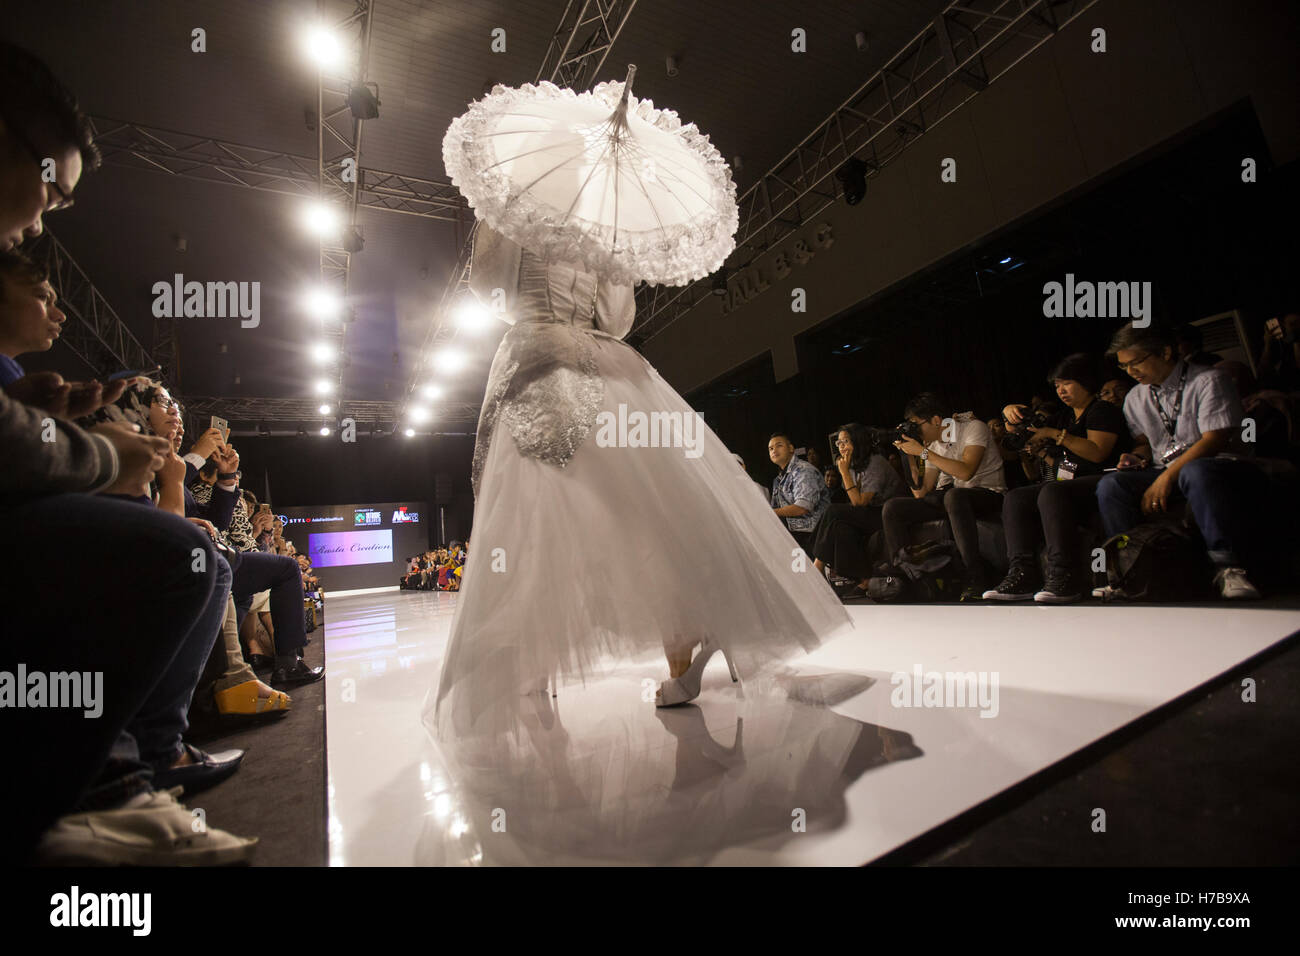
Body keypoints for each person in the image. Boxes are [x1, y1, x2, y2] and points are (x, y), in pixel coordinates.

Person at [425, 224, 851, 739]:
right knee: (651, 509)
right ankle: (690, 633)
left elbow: (492, 287)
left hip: (539, 359)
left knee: (536, 520)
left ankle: (533, 670)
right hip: (608, 364)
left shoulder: (511, 209)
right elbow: (617, 318)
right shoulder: (605, 219)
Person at [1096, 321, 1264, 599]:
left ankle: (1229, 566)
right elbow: (1144, 443)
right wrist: (1136, 457)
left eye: (1136, 362)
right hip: (1166, 468)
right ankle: (1127, 569)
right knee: (1112, 485)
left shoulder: (1208, 380)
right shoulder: (1136, 397)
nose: (1130, 371)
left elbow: (1213, 441)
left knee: (1195, 472)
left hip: (1221, 465)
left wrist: (1166, 477)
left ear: (1165, 352)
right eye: (1123, 366)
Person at [983, 354, 1129, 603]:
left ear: (1086, 382)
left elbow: (1097, 452)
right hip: (1071, 482)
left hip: (1101, 479)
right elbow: (1023, 436)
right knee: (1017, 497)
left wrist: (1055, 435)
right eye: (1057, 385)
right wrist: (1010, 416)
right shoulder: (1064, 416)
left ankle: (1063, 576)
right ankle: (1022, 573)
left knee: (1052, 491)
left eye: (1067, 383)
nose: (1061, 390)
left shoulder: (1101, 410)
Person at [882, 392, 1008, 600]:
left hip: (988, 493)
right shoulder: (933, 445)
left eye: (917, 424)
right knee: (893, 508)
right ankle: (907, 575)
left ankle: (974, 576)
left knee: (954, 496)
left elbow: (966, 471)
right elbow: (921, 492)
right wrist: (910, 457)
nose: (915, 430)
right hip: (957, 498)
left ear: (936, 420)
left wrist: (923, 452)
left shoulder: (973, 428)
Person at [768, 432, 831, 554]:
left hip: (812, 534)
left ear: (791, 448)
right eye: (770, 448)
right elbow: (775, 509)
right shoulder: (777, 480)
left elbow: (803, 507)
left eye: (779, 445)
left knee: (800, 570)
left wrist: (767, 512)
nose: (774, 450)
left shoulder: (804, 470)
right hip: (793, 534)